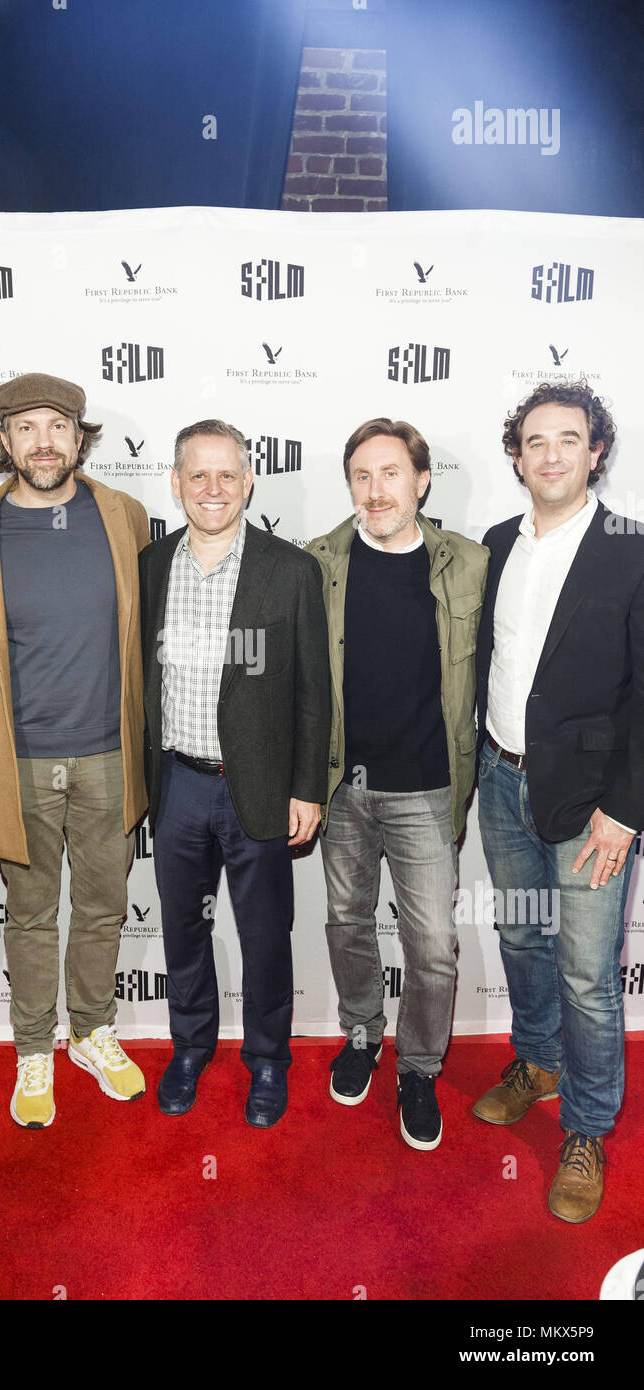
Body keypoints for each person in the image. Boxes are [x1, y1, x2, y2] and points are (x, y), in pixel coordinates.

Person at [0, 373, 149, 1127]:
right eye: (25, 428)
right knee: (30, 913)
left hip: (107, 754)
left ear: (78, 436)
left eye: (56, 426)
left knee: (101, 907)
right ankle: (35, 1046)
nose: (42, 442)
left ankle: (93, 1032)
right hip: (19, 762)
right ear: (4, 442)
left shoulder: (122, 516)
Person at [473, 379, 644, 1222]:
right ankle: (535, 1061)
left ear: (596, 450)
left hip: (592, 805)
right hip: (500, 780)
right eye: (535, 441)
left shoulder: (633, 548)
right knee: (522, 936)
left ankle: (586, 1126)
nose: (550, 455)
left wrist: (626, 809)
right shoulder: (498, 542)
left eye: (567, 440)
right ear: (516, 454)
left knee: (587, 973)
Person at [140, 419, 329, 1127]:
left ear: (249, 482)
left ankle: (268, 1061)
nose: (213, 488)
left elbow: (315, 692)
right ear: (177, 483)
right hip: (178, 784)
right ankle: (189, 1048)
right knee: (184, 931)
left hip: (260, 786)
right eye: (198, 475)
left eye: (227, 475)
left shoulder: (290, 569)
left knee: (264, 933)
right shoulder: (151, 565)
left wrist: (307, 786)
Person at [308, 418, 487, 1149]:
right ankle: (360, 1033)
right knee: (347, 923)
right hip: (343, 789)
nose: (376, 491)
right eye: (362, 476)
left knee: (434, 946)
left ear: (421, 480)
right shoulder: (319, 562)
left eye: (390, 473)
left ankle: (418, 1066)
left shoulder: (470, 563)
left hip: (428, 790)